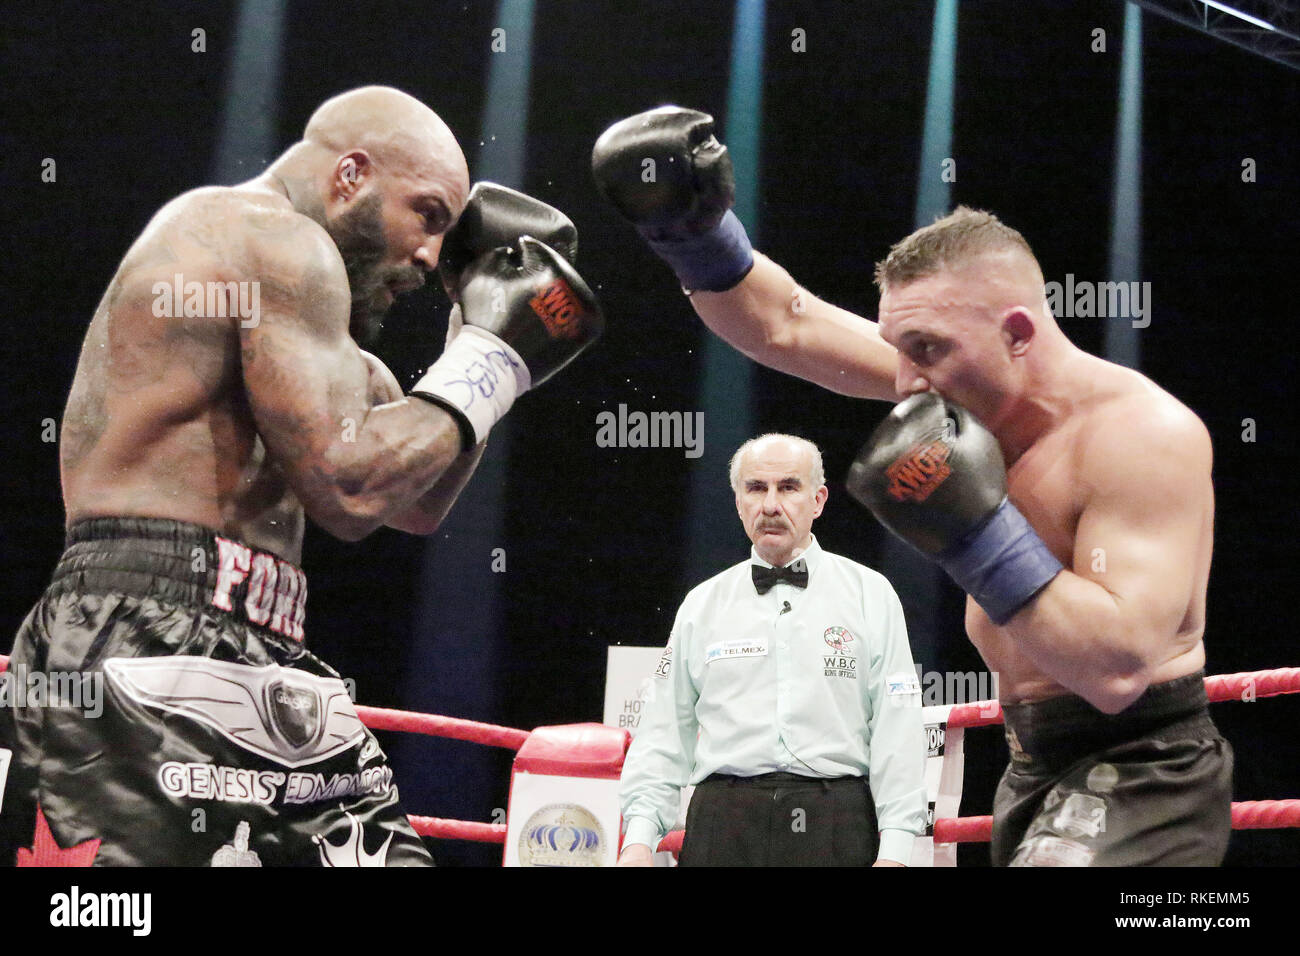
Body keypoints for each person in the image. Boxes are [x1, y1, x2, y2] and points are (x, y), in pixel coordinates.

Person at [594, 107, 1231, 866]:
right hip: (1030, 761)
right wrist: (691, 232)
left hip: (1143, 761)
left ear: (1019, 334)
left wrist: (971, 529)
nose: (903, 383)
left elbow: (1118, 668)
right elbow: (783, 325)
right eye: (897, 348)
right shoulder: (955, 386)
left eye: (924, 349)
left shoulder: (1141, 434)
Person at [0, 86, 603, 867]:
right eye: (426, 215)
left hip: (263, 656)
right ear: (350, 175)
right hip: (142, 638)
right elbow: (348, 489)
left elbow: (411, 499)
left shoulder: (320, 341)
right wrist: (489, 362)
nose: (430, 257)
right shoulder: (265, 238)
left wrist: (481, 341)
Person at [617, 434, 927, 867]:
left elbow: (898, 722)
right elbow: (664, 728)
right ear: (739, 501)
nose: (770, 505)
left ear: (818, 500)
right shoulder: (702, 604)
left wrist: (895, 850)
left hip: (835, 820)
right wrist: (638, 840)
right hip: (721, 823)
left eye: (788, 487)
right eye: (756, 488)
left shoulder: (869, 594)